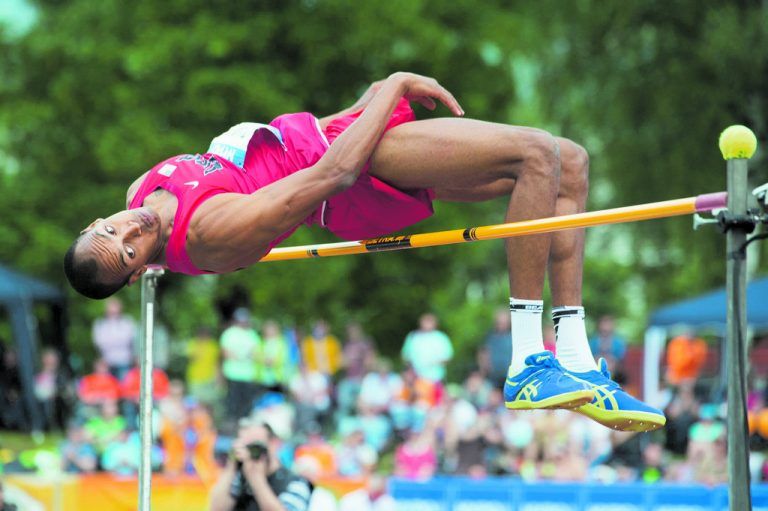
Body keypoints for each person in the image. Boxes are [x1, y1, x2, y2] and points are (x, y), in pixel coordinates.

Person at [64, 71, 663, 430]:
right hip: (347, 166)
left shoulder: (138, 190)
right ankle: (529, 360)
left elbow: (263, 149)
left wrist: (354, 108)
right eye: (128, 250)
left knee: (568, 163)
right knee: (536, 154)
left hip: (330, 134)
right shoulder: (208, 233)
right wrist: (392, 85)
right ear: (144, 267)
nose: (130, 229)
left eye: (111, 230)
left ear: (99, 219)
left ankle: (578, 359)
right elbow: (331, 173)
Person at [210, 420, 313, 511]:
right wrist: (231, 466)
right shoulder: (239, 479)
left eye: (254, 447)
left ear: (274, 444)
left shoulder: (295, 483)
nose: (248, 454)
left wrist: (257, 480)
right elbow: (216, 509)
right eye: (245, 447)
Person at [220, 308, 263, 421]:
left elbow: (256, 352)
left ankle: (245, 423)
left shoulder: (252, 334)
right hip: (233, 374)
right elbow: (226, 352)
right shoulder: (229, 333)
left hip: (248, 374)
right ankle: (232, 423)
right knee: (233, 401)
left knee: (247, 402)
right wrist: (241, 357)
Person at [91, 298, 137, 379]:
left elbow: (129, 339)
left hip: (124, 361)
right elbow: (99, 342)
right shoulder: (100, 324)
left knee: (124, 387)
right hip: (106, 363)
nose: (113, 313)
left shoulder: (127, 322)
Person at [401, 313, 453, 384]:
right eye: (425, 321)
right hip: (416, 377)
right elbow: (405, 356)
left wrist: (432, 363)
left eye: (430, 322)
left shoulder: (441, 337)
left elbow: (447, 357)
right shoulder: (413, 337)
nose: (427, 324)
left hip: (435, 377)